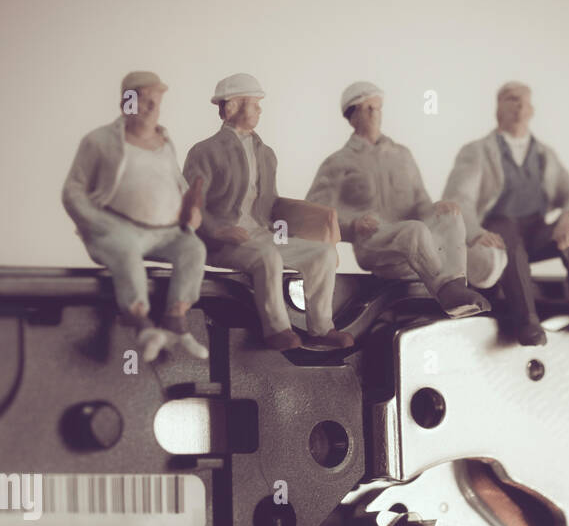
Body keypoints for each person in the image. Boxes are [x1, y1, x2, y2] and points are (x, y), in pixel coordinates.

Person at [444, 82, 569, 346]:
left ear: (532, 111)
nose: (518, 106)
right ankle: (528, 323)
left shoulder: (544, 155)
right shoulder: (478, 151)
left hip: (536, 227)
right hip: (498, 226)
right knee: (511, 245)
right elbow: (459, 199)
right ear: (498, 108)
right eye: (511, 99)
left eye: (524, 101)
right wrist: (475, 233)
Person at [184, 74, 352, 352]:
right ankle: (277, 330)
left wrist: (310, 219)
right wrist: (217, 230)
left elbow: (270, 202)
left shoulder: (266, 154)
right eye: (253, 104)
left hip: (262, 233)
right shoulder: (205, 152)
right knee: (267, 256)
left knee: (321, 254)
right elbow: (193, 204)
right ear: (231, 107)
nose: (260, 110)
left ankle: (321, 329)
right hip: (220, 242)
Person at [306, 82, 491, 318]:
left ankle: (456, 285)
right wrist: (352, 224)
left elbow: (421, 201)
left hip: (419, 245)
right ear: (352, 117)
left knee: (451, 215)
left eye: (377, 108)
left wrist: (437, 208)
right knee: (413, 231)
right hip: (375, 244)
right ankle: (447, 293)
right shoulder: (338, 162)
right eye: (366, 109)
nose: (374, 114)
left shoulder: (402, 155)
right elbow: (316, 212)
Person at [62, 71, 208, 363]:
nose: (152, 107)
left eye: (156, 101)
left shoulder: (165, 142)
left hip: (165, 232)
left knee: (193, 249)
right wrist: (97, 222)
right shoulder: (99, 141)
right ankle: (141, 324)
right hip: (120, 230)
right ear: (126, 102)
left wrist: (191, 211)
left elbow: (177, 183)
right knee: (126, 251)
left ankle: (176, 321)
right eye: (143, 100)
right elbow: (73, 191)